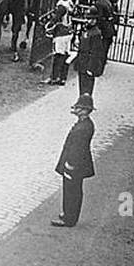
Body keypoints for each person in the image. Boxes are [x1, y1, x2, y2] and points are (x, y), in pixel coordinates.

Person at [52, 94, 95, 227]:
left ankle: (69, 219)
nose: (75, 110)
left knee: (72, 191)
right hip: (76, 163)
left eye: (78, 108)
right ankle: (68, 213)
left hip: (75, 164)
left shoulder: (83, 128)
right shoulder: (84, 123)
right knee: (70, 189)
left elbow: (78, 149)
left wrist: (70, 165)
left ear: (85, 110)